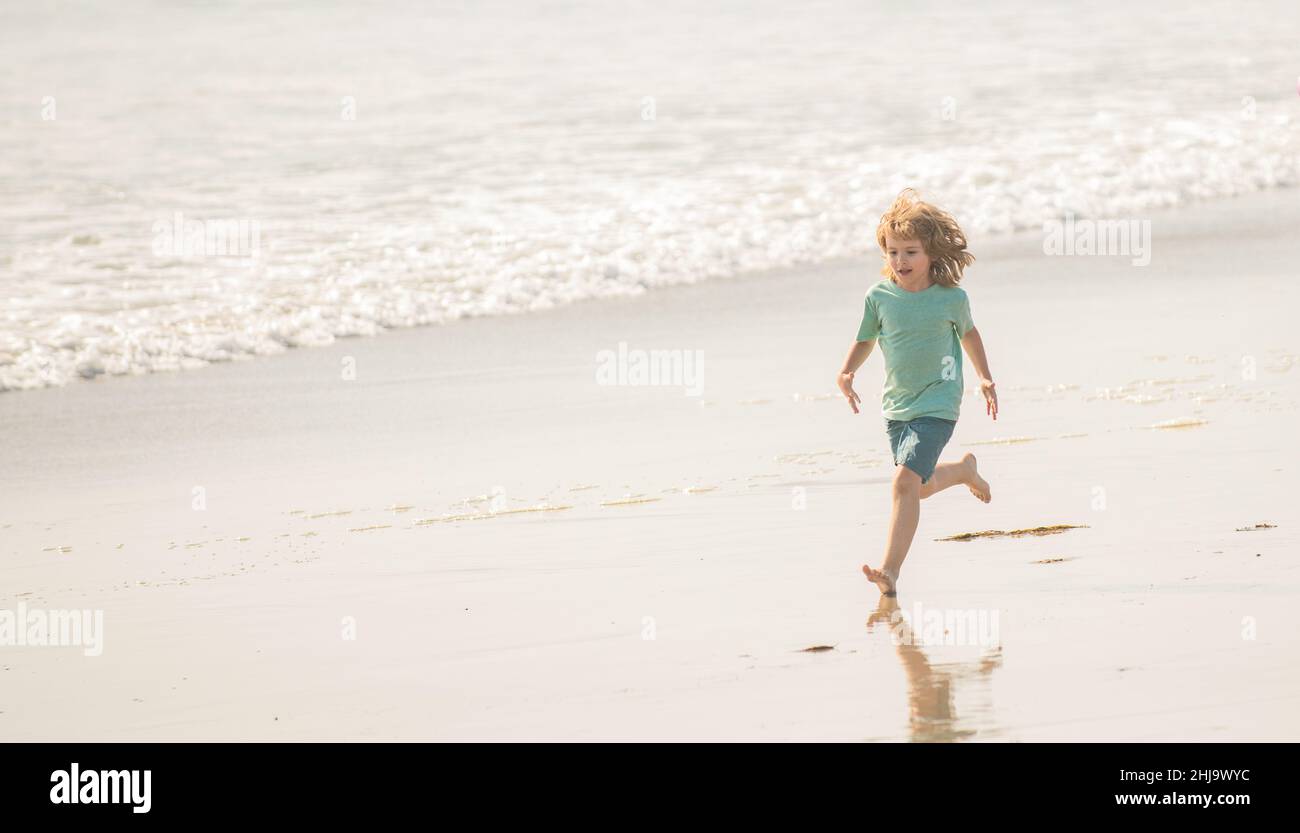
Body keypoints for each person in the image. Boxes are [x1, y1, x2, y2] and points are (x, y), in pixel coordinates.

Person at [837, 189, 998, 596]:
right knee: (919, 487)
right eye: (892, 252)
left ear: (931, 253)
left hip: (939, 403)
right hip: (897, 407)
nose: (900, 261)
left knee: (903, 484)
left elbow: (970, 334)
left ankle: (889, 572)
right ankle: (962, 471)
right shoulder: (879, 297)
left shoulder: (951, 298)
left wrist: (984, 376)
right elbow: (865, 340)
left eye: (910, 252)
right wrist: (847, 372)